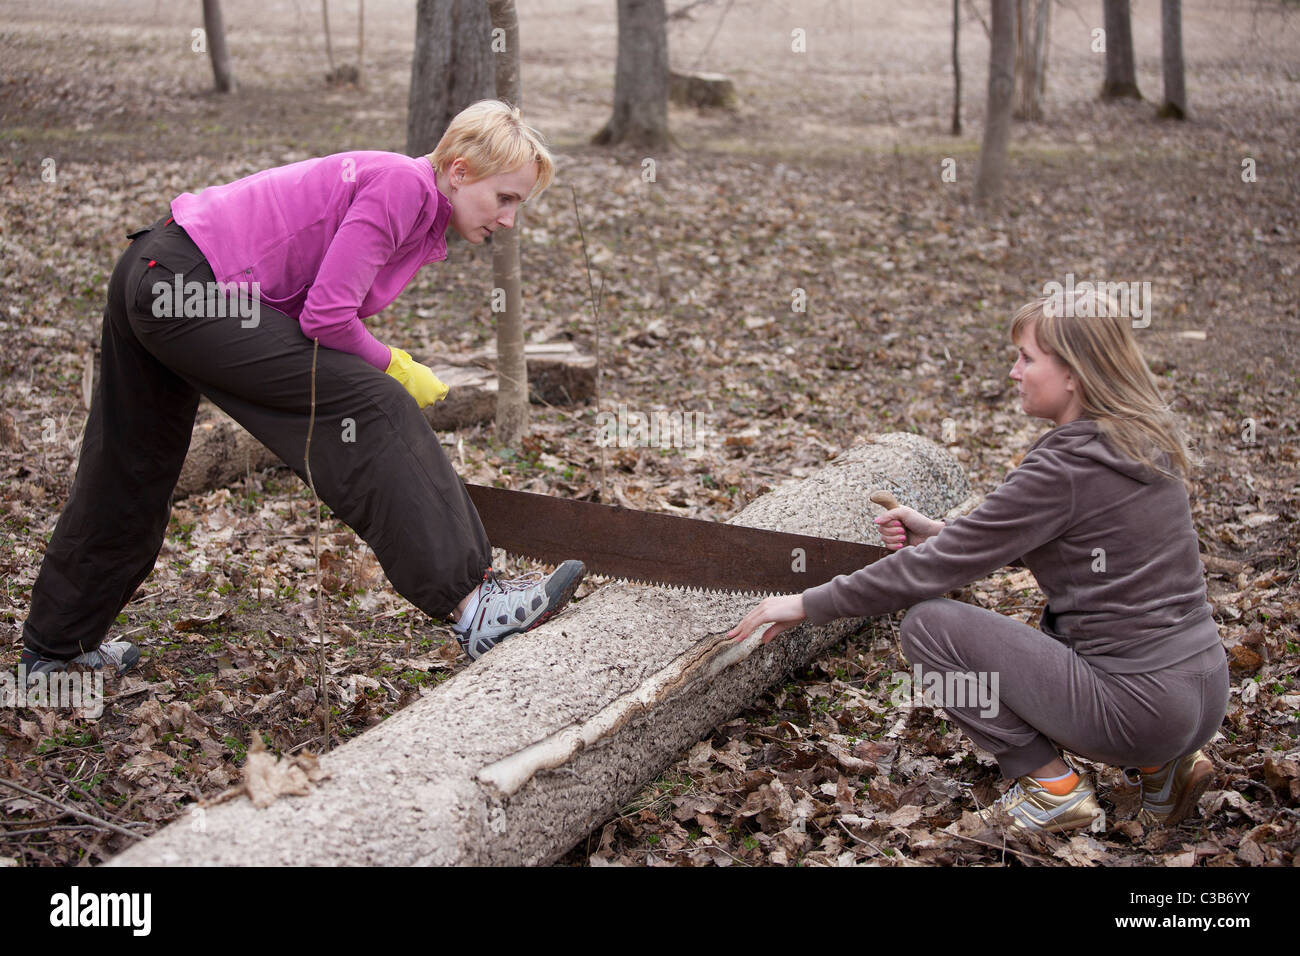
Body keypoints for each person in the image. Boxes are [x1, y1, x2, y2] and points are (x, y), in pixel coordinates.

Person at [20, 99, 585, 681]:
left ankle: (55, 649)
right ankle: (475, 605)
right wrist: (392, 365)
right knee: (374, 406)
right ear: (460, 171)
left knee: (132, 463)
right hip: (189, 285)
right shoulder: (402, 185)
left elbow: (314, 302)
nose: (510, 219)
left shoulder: (413, 202)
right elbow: (327, 318)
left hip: (154, 268)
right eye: (506, 198)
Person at [729, 291, 1228, 834]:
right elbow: (1063, 535)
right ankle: (1166, 770)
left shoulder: (1062, 465)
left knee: (931, 626)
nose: (1014, 372)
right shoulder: (1143, 442)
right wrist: (941, 532)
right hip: (1202, 689)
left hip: (1137, 708)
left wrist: (806, 602)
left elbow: (931, 572)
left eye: (1027, 358)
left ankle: (1051, 789)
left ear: (1075, 375)